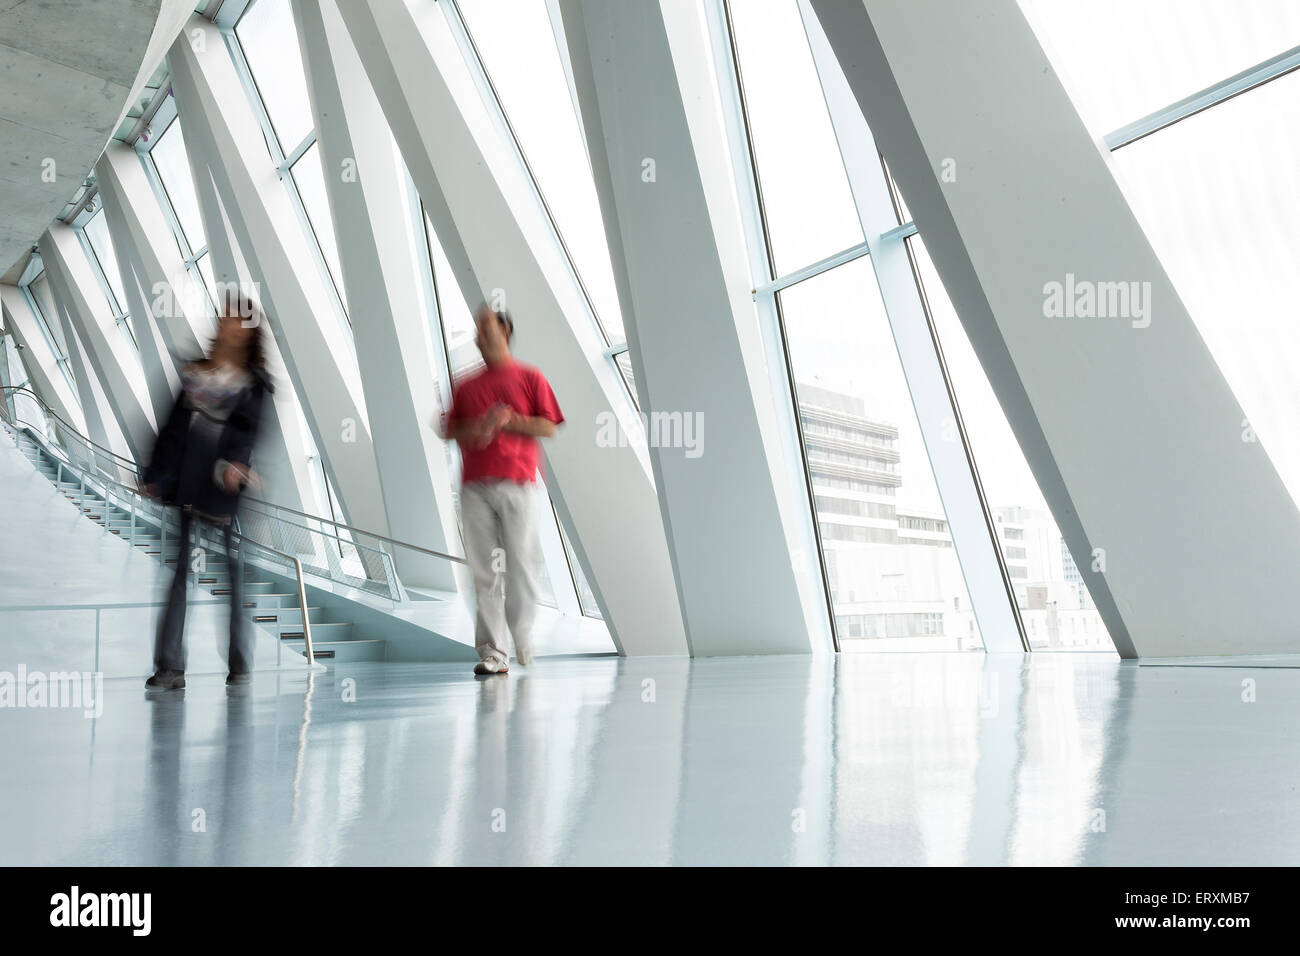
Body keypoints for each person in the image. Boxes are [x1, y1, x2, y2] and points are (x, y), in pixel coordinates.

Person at [139, 292, 273, 690]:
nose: (228, 325)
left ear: (250, 332)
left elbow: (249, 432)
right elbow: (170, 429)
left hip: (224, 488)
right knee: (179, 574)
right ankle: (170, 667)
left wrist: (237, 463)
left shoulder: (254, 384)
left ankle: (239, 663)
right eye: (225, 318)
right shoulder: (195, 372)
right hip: (187, 483)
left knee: (233, 577)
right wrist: (155, 474)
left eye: (238, 321)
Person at [443, 305, 564, 675]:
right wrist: (476, 429)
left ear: (506, 331)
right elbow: (448, 430)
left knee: (521, 568)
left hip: (518, 483)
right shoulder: (465, 384)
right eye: (477, 329)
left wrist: (511, 421)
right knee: (485, 573)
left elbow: (549, 427)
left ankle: (522, 633)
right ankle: (494, 654)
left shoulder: (530, 377)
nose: (479, 335)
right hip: (475, 487)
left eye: (486, 328)